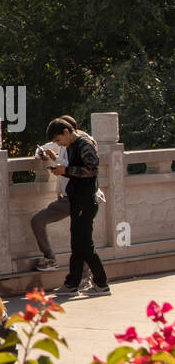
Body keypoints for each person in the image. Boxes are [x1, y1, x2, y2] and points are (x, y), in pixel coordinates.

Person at [46, 117, 111, 295]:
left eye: (59, 140)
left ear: (66, 132)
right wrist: (61, 167)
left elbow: (92, 169)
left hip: (86, 199)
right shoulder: (73, 145)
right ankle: (72, 283)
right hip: (78, 199)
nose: (60, 144)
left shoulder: (84, 144)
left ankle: (101, 283)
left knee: (84, 244)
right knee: (77, 242)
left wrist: (66, 171)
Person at [30, 135, 71, 270]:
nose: (57, 143)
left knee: (82, 239)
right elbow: (44, 149)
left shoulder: (83, 144)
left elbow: (78, 168)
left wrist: (56, 159)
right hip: (66, 199)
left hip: (79, 198)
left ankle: (87, 277)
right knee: (38, 220)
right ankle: (50, 258)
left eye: (58, 140)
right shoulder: (62, 143)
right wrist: (41, 153)